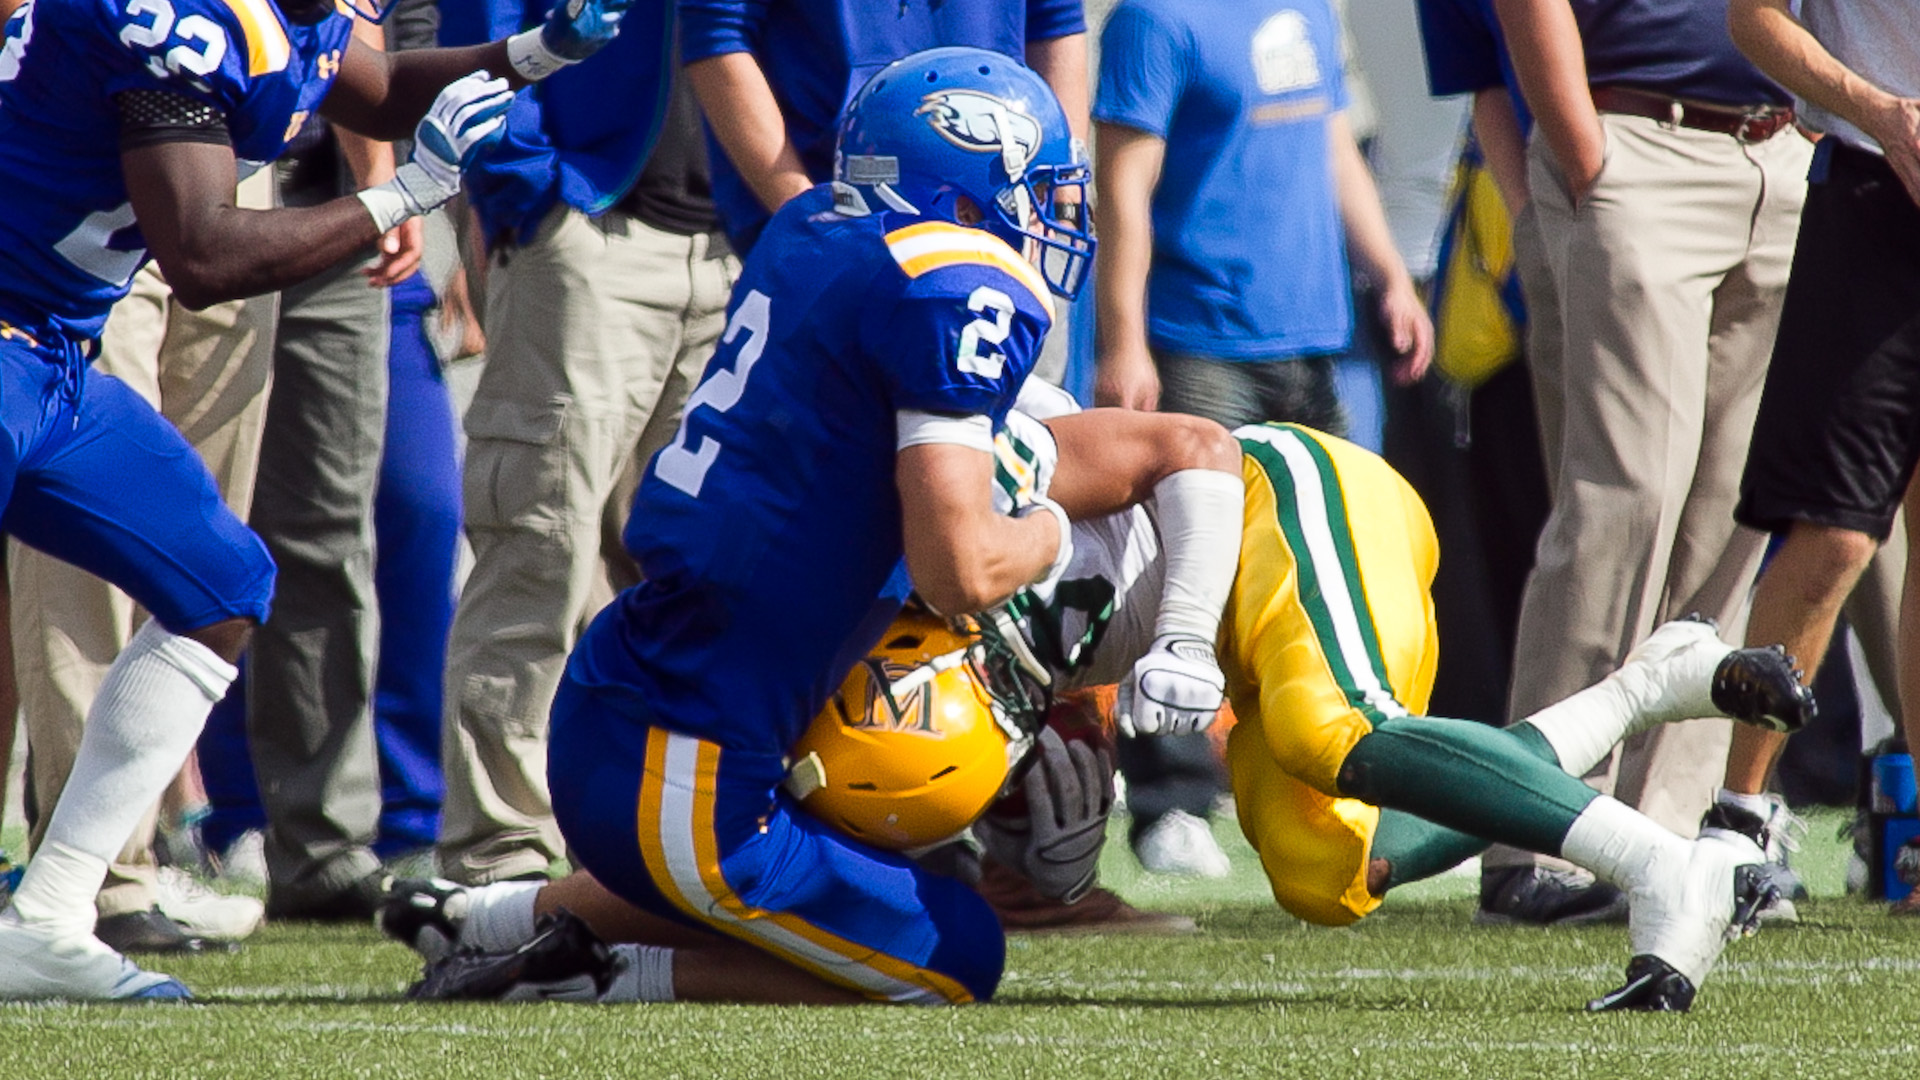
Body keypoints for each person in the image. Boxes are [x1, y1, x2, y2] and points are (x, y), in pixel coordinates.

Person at [385, 400, 1813, 1012]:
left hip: (1273, 500)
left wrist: (1181, 632)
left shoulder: (935, 487)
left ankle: (1663, 870)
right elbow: (753, 870)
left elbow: (1188, 449)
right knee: (1333, 877)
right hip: (1204, 621)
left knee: (1325, 733)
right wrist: (520, 915)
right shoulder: (856, 708)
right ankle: (1653, 684)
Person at [410, 47, 1104, 1007]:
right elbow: (960, 568)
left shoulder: (820, 225)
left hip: (633, 701)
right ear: (972, 183)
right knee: (958, 955)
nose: (1052, 215)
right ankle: (587, 979)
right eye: (1036, 189)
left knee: (852, 887)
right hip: (689, 766)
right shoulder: (956, 281)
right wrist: (1053, 533)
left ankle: (487, 916)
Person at [0, 0, 637, 1000]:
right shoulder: (171, 18)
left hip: (50, 357)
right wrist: (410, 196)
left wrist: (539, 51)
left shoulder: (285, 16)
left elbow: (378, 92)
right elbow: (203, 258)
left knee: (221, 583)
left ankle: (48, 915)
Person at [1089, 0, 1436, 881]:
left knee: (1343, 568)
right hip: (1198, 340)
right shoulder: (1153, 20)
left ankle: (1350, 795)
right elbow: (1121, 183)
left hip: (1313, 336)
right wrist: (1123, 341)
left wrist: (1388, 272)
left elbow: (1331, 145)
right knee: (1191, 576)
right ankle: (1172, 803)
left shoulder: (1309, 9)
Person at [1486, 0, 1812, 923]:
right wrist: (1587, 150)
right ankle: (1540, 834)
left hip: (1779, 151)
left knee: (1734, 511)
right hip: (1638, 138)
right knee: (1624, 501)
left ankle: (1668, 838)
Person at [434, 0, 740, 888]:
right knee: (539, 554)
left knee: (712, 576)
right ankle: (500, 862)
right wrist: (527, 180)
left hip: (747, 245)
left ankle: (664, 853)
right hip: (589, 233)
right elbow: (479, 25)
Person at [1703, 0, 1920, 917]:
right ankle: (1735, 828)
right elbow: (1751, 19)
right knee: (1832, 534)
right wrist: (1882, 111)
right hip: (1871, 193)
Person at [678, 0, 1090, 256]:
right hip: (843, 216)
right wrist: (805, 211)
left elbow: (1056, 20)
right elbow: (717, 32)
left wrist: (1061, 198)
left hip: (1011, 217)